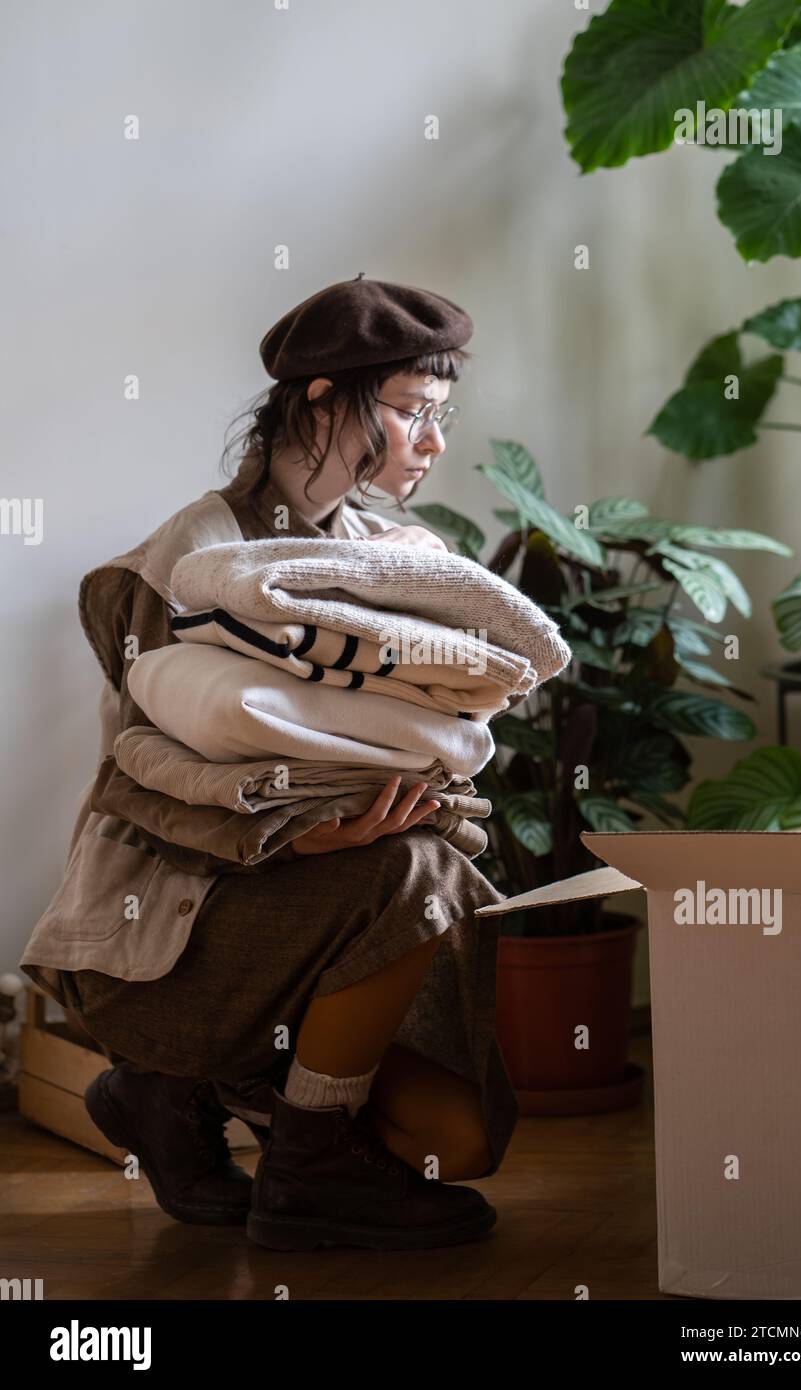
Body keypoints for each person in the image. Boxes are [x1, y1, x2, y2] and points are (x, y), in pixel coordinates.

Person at [19, 275, 520, 1252]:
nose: (434, 442)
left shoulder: (382, 549)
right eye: (413, 412)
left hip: (326, 911)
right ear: (325, 400)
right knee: (413, 873)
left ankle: (186, 1087)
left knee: (451, 1145)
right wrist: (298, 838)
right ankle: (302, 1163)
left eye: (441, 416)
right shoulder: (193, 554)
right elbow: (138, 772)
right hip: (177, 919)